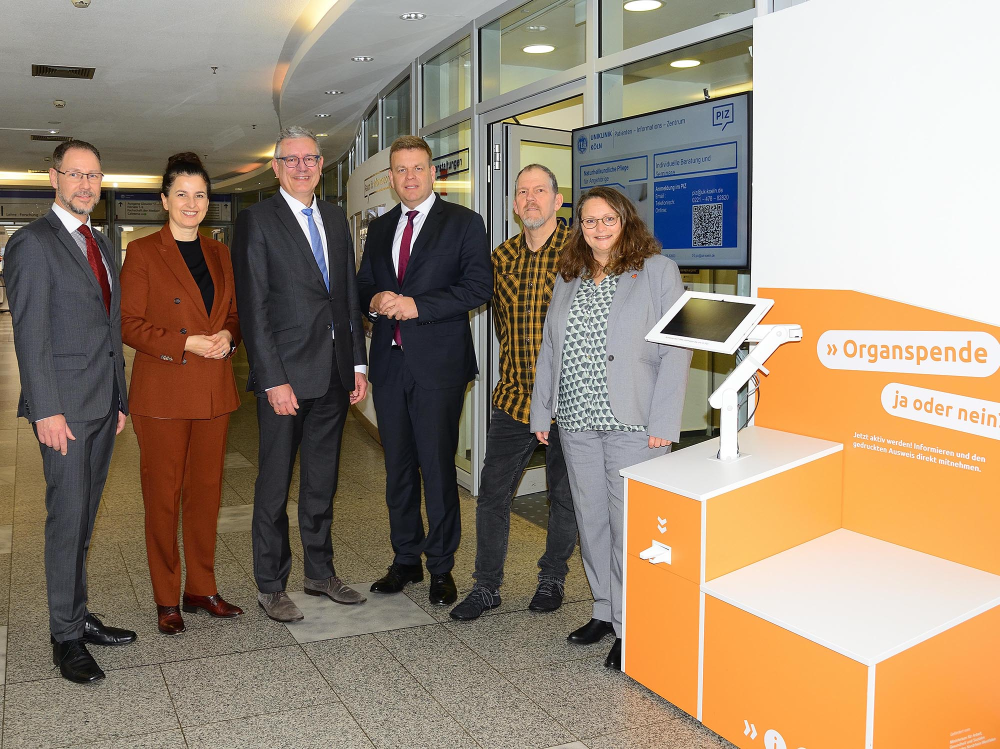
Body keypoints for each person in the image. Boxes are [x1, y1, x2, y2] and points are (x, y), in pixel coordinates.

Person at [530, 186, 691, 670]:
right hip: (577, 419)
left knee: (628, 527)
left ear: (625, 221)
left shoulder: (657, 270)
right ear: (579, 227)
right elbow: (550, 347)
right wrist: (542, 411)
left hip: (634, 422)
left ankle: (631, 623)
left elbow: (677, 347)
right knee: (592, 520)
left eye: (608, 219)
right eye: (589, 220)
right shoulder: (571, 275)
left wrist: (664, 420)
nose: (598, 228)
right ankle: (604, 609)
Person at [5, 140, 136, 683]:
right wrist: (46, 411)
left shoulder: (99, 242)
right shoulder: (32, 243)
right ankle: (64, 638)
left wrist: (120, 398)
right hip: (64, 412)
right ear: (53, 177)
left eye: (94, 176)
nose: (86, 185)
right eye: (76, 174)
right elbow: (29, 334)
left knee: (84, 519)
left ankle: (78, 616)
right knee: (66, 520)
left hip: (102, 404)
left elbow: (110, 327)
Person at [231, 126, 369, 623]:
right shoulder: (257, 220)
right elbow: (253, 307)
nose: (302, 167)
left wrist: (357, 363)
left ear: (321, 164)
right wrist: (272, 379)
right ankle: (271, 584)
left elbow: (347, 296)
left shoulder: (333, 218)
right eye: (291, 160)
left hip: (333, 374)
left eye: (309, 159)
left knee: (321, 481)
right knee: (273, 485)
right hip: (286, 379)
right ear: (276, 167)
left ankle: (319, 572)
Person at [357, 135, 492, 606]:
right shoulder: (380, 228)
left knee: (436, 467)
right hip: (390, 365)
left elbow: (478, 286)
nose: (409, 177)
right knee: (397, 467)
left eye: (418, 168)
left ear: (434, 173)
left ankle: (441, 565)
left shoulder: (463, 222)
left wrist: (418, 305)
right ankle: (405, 559)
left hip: (439, 367)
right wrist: (374, 299)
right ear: (391, 177)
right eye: (401, 169)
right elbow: (363, 285)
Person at [120, 153, 243, 636]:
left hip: (213, 390)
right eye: (182, 194)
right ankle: (166, 597)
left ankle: (201, 589)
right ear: (165, 200)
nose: (192, 203)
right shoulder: (143, 252)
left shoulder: (219, 253)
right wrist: (185, 342)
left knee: (206, 496)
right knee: (163, 499)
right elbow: (129, 324)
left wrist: (229, 335)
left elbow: (233, 313)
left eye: (200, 195)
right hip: (164, 394)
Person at [450, 164, 578, 621]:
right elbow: (475, 306)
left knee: (564, 497)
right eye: (522, 192)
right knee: (492, 496)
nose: (530, 199)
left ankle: (552, 577)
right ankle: (486, 587)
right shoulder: (500, 258)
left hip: (569, 402)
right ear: (514, 204)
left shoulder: (580, 253)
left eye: (539, 190)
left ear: (557, 200)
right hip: (514, 398)